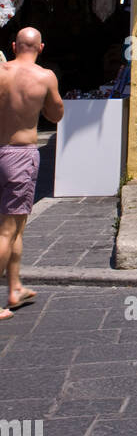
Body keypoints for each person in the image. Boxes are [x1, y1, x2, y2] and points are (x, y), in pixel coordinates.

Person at [0, 27, 64, 319]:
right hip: (20, 155)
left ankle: (14, 288)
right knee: (7, 229)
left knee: (17, 226)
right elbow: (56, 114)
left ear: (13, 46)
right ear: (41, 47)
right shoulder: (45, 77)